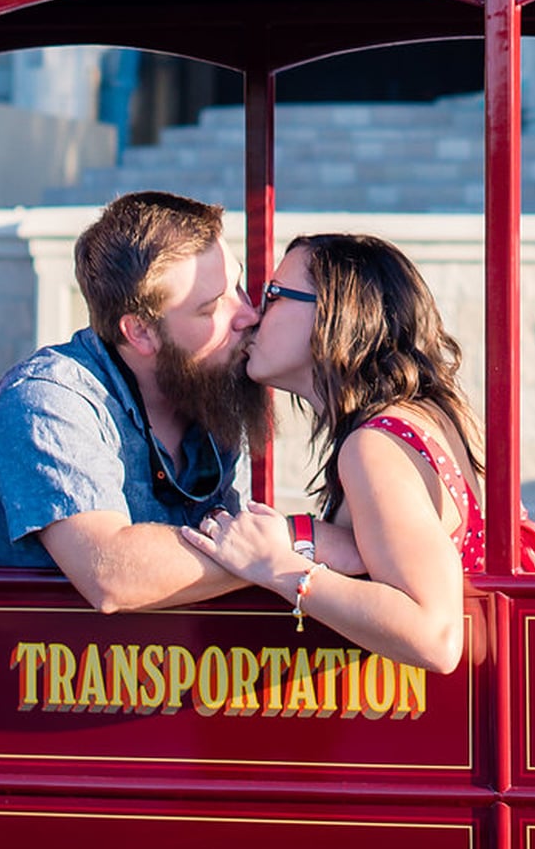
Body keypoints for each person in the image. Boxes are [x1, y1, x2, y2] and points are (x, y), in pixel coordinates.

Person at [0, 189, 365, 608]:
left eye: (238, 284)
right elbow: (110, 575)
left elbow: (213, 551)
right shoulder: (50, 400)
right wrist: (296, 543)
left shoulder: (205, 387)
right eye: (212, 306)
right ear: (140, 332)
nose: (248, 315)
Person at [182, 231, 483, 674]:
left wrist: (276, 566)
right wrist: (313, 538)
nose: (251, 317)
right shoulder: (427, 414)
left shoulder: (373, 447)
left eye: (274, 296)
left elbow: (434, 636)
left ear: (335, 314)